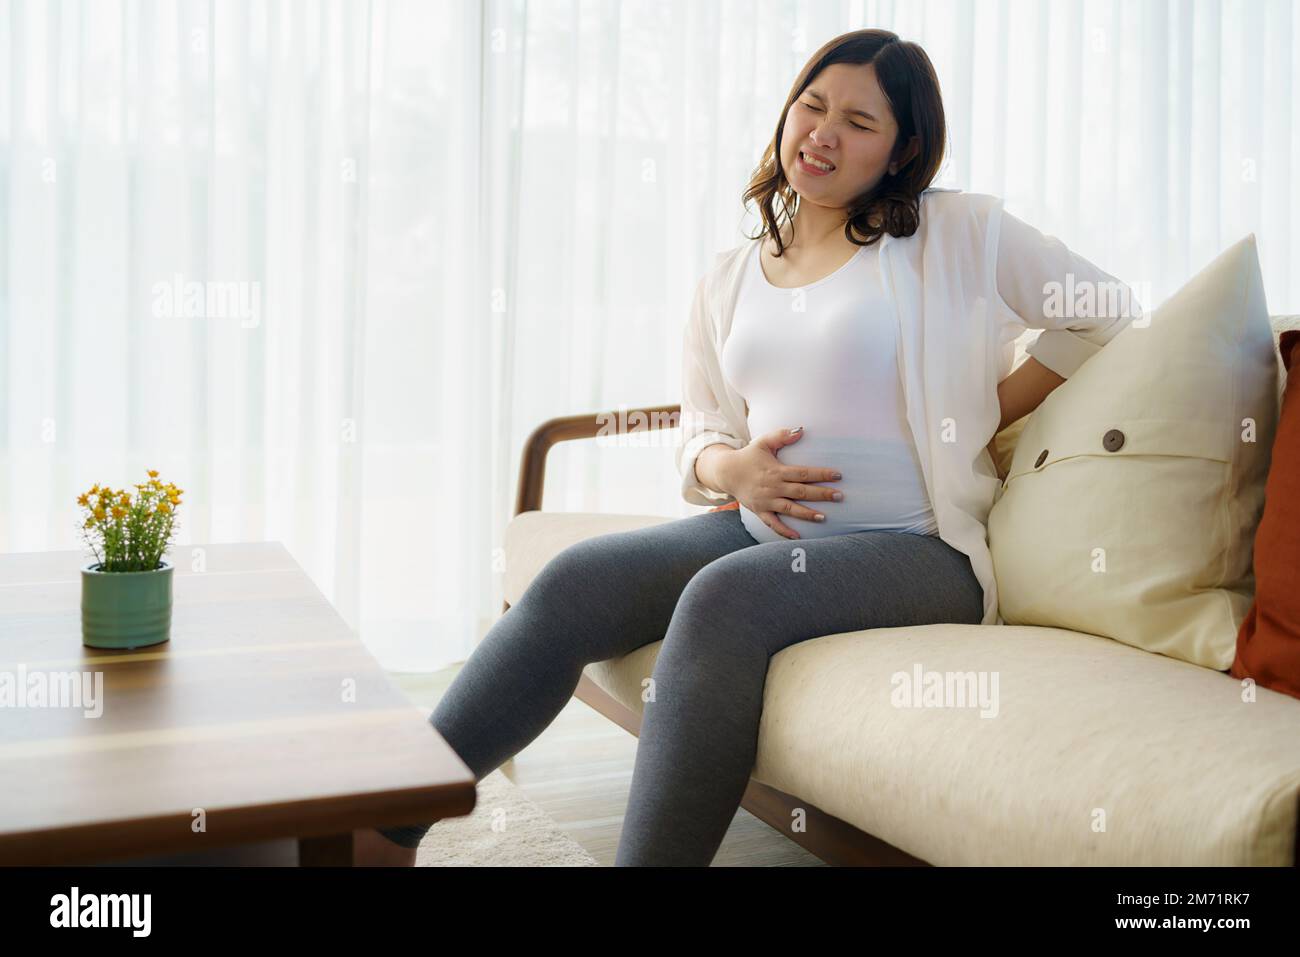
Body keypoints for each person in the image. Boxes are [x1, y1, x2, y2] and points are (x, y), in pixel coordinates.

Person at [354, 27, 1139, 867]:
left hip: (917, 548)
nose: (823, 132)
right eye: (812, 105)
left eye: (859, 121)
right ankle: (381, 827)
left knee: (723, 600)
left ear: (903, 148)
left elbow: (1104, 307)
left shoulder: (956, 233)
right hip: (760, 527)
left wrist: (983, 407)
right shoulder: (732, 276)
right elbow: (702, 429)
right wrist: (729, 469)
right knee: (575, 580)